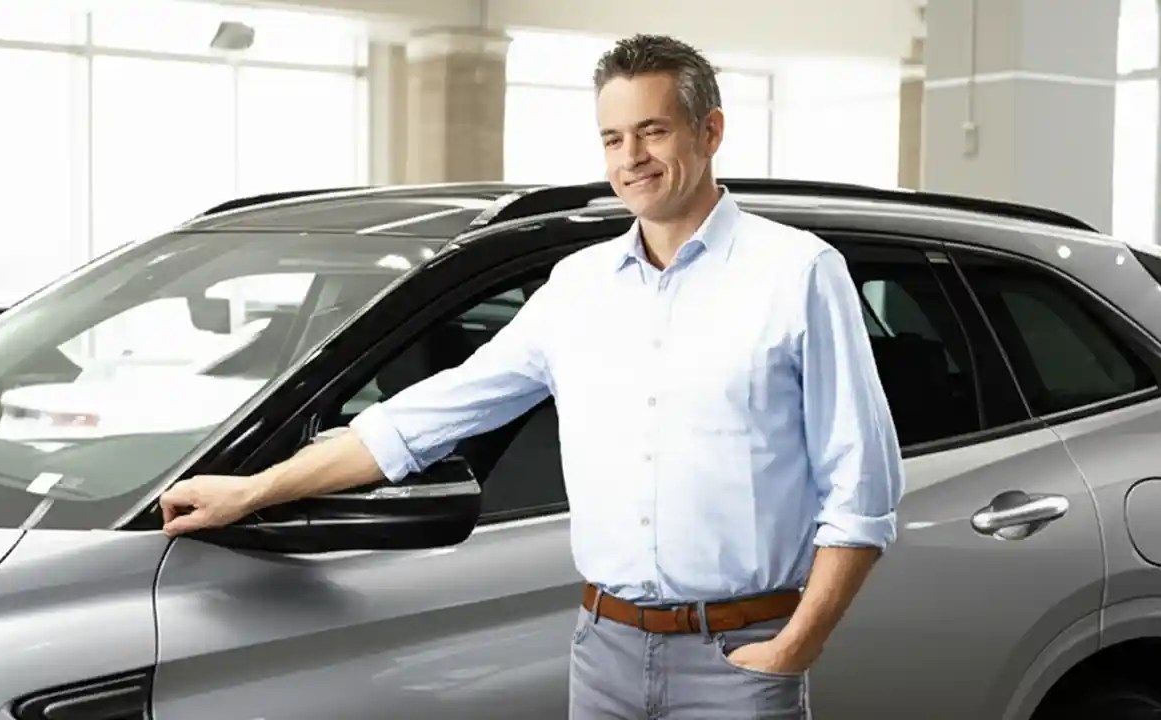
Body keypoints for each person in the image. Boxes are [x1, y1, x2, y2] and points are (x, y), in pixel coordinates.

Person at [159, 33, 905, 720]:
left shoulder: (797, 272)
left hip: (739, 653)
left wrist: (795, 647)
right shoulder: (578, 289)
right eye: (613, 138)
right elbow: (424, 419)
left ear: (710, 132)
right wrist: (252, 489)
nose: (631, 158)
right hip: (605, 653)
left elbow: (862, 489)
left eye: (653, 131)